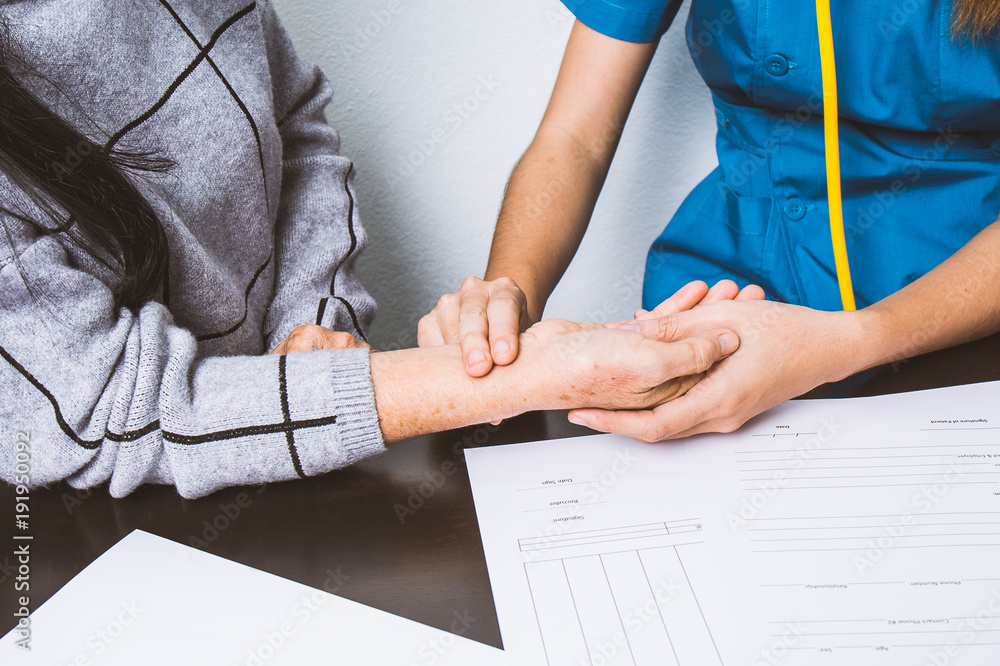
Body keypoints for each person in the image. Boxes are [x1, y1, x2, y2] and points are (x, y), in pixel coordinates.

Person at [0, 0, 740, 499]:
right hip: (87, 516)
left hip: (302, 449)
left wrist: (313, 325)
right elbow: (101, 411)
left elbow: (293, 124)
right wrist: (516, 379)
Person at [420, 1, 1000, 442]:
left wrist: (851, 340)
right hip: (721, 296)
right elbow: (575, 137)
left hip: (960, 315)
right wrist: (506, 293)